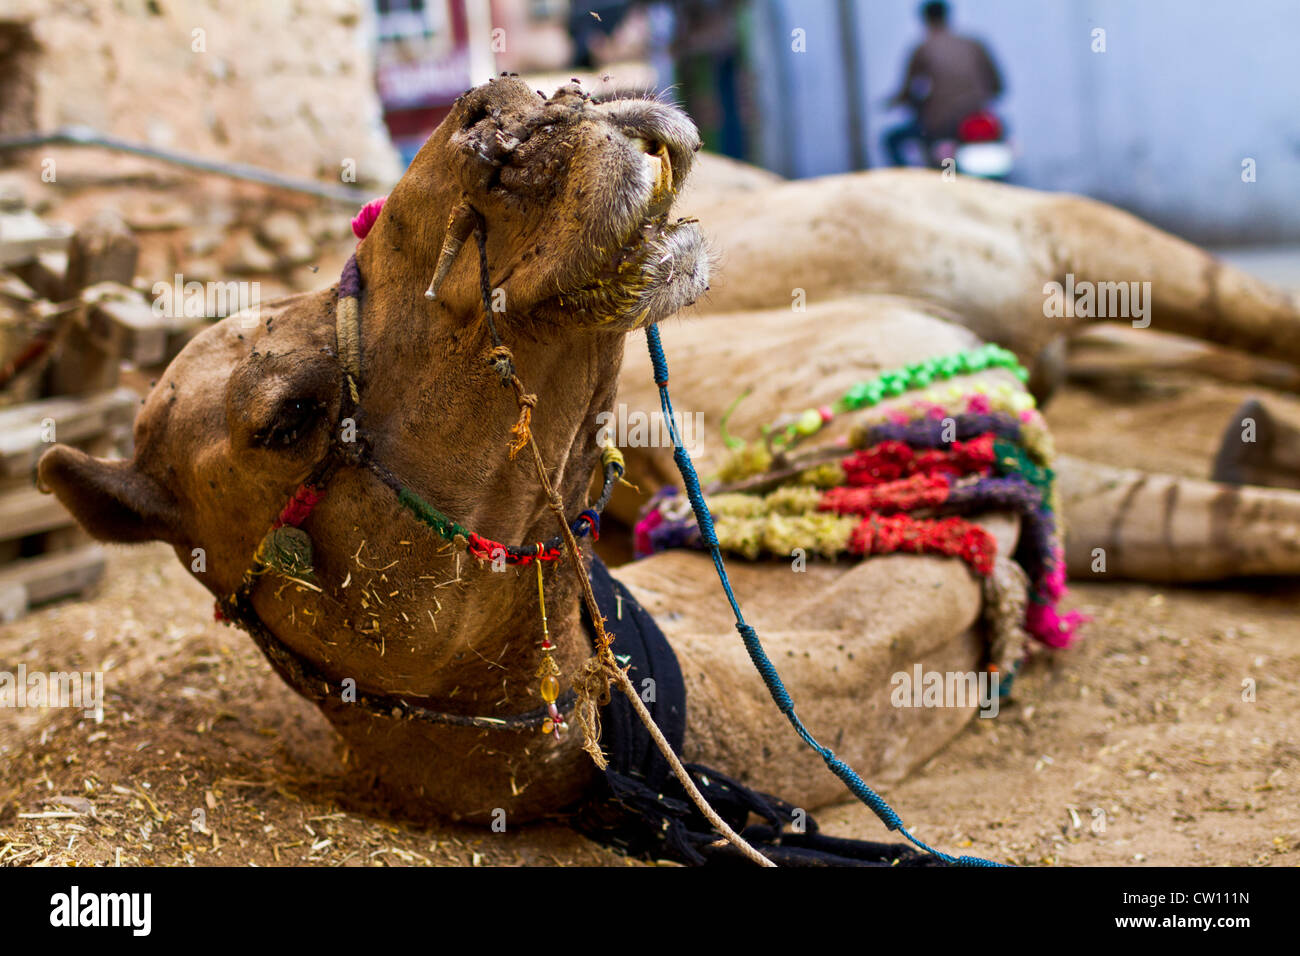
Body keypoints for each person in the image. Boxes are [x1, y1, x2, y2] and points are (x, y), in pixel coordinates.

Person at [883, 1, 1004, 167]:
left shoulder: (923, 49)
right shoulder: (974, 44)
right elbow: (998, 85)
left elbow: (907, 90)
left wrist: (894, 102)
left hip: (942, 125)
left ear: (925, 20)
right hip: (978, 116)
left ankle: (911, 181)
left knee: (893, 140)